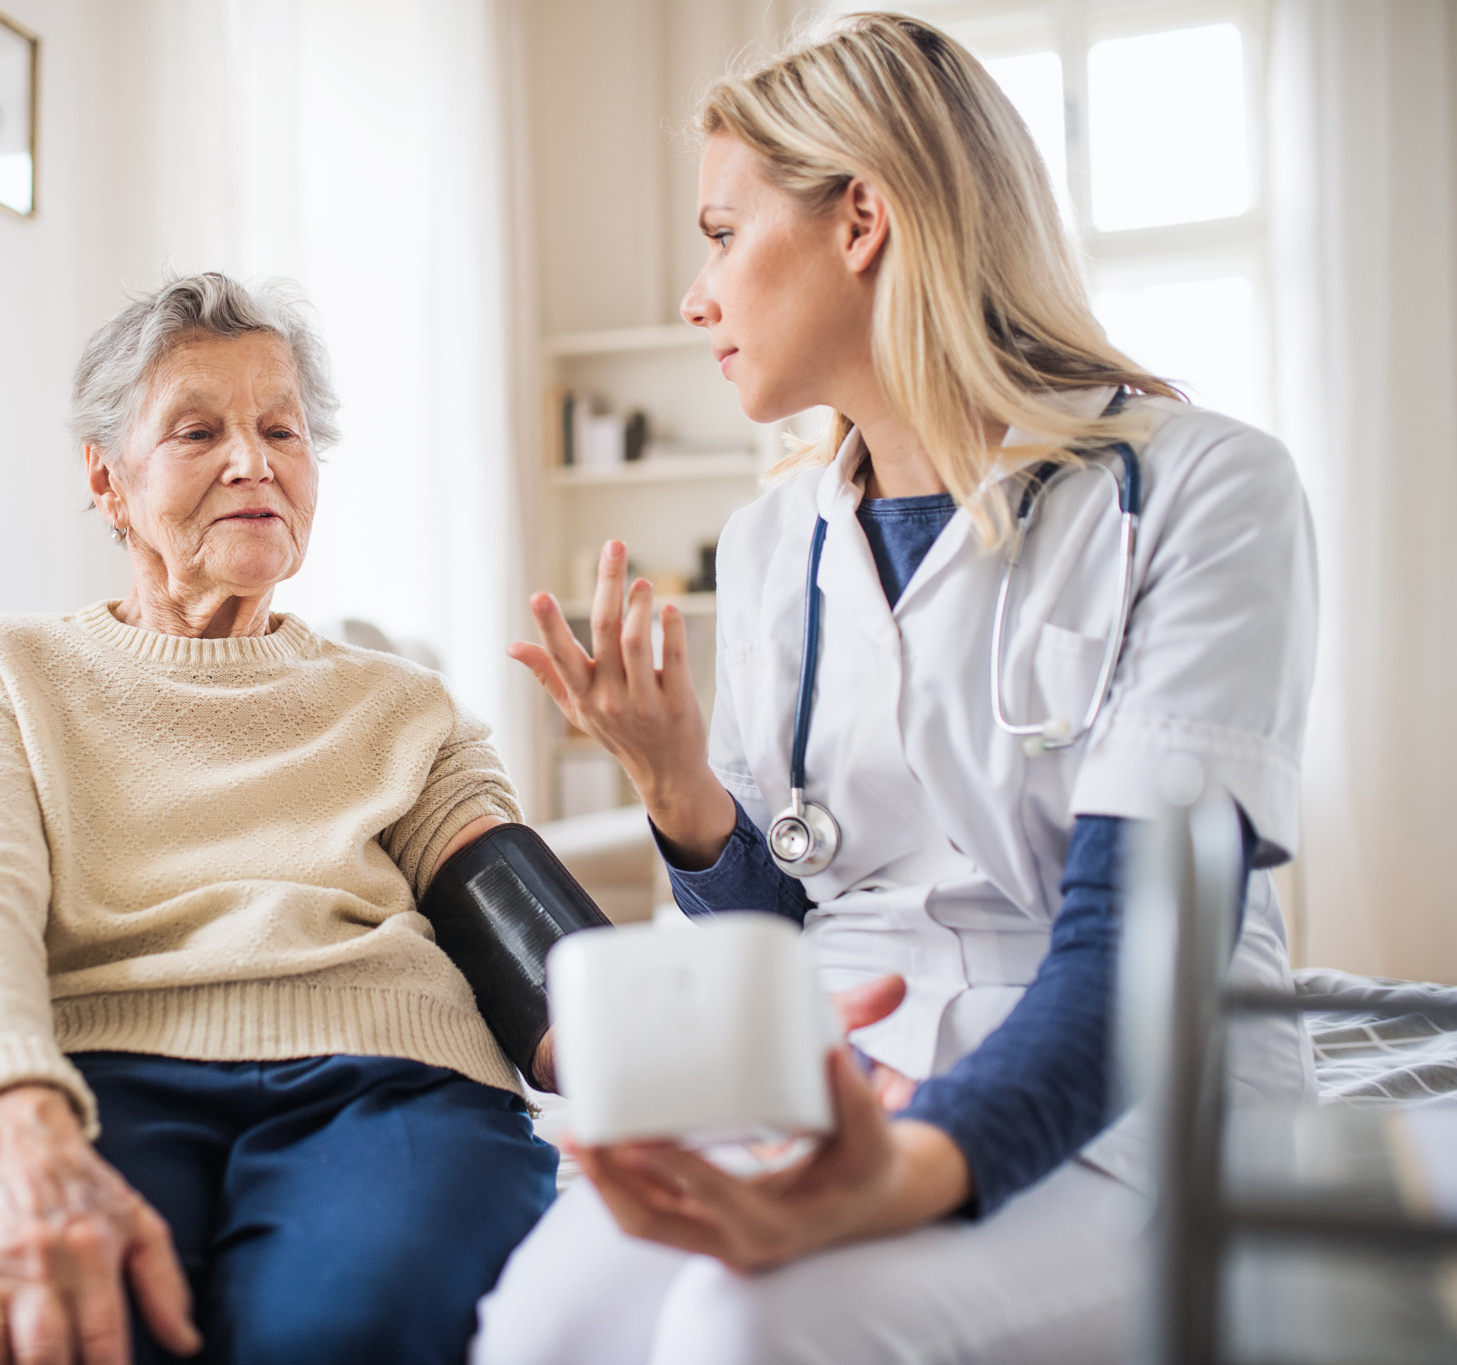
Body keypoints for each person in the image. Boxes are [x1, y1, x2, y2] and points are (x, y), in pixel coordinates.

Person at [476, 13, 1315, 1364]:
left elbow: (1134, 953)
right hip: (831, 1070)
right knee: (540, 1331)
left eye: (719, 233)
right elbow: (786, 910)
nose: (697, 297)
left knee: (742, 1330)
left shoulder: (1205, 494)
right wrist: (680, 795)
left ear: (859, 217)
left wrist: (912, 1167)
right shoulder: (771, 544)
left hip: (1124, 1108)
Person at [0, 272, 557, 1365]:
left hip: (386, 1081)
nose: (253, 462)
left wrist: (662, 1051)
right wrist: (3, 1113)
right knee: (42, 1328)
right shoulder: (4, 669)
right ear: (105, 479)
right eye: (198, 431)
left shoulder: (400, 702)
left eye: (280, 429)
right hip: (95, 1082)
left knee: (341, 1332)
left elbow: (516, 917)